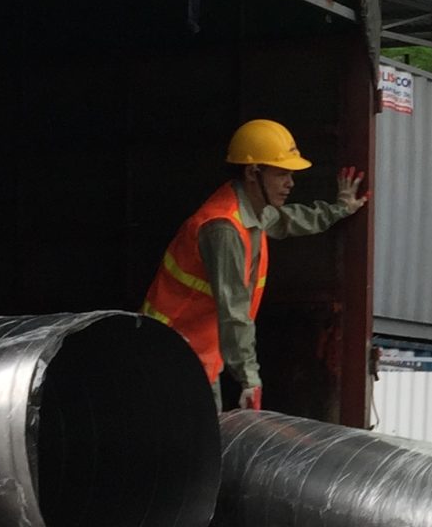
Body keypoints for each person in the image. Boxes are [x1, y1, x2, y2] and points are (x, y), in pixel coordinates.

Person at [144, 119, 366, 409]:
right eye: (282, 174)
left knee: (198, 443)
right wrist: (250, 380)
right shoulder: (223, 228)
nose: (291, 183)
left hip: (193, 353)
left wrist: (340, 209)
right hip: (172, 353)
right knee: (191, 446)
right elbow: (234, 312)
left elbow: (289, 219)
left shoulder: (252, 212)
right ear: (253, 172)